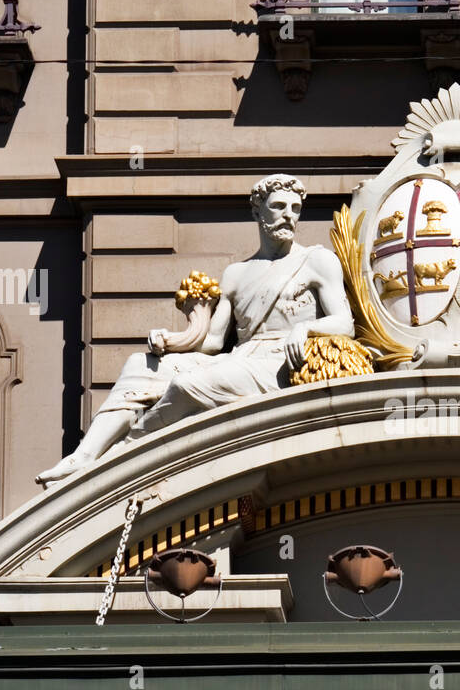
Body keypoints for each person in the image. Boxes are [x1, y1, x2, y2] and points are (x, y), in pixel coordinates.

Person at [35, 174, 354, 486]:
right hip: (241, 356)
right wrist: (170, 341)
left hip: (280, 363)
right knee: (140, 365)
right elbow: (214, 342)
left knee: (188, 384)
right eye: (280, 206)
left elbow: (345, 323)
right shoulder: (236, 274)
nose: (289, 216)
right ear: (258, 210)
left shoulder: (317, 260)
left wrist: (306, 330)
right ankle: (84, 456)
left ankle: (121, 455)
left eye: (295, 208)